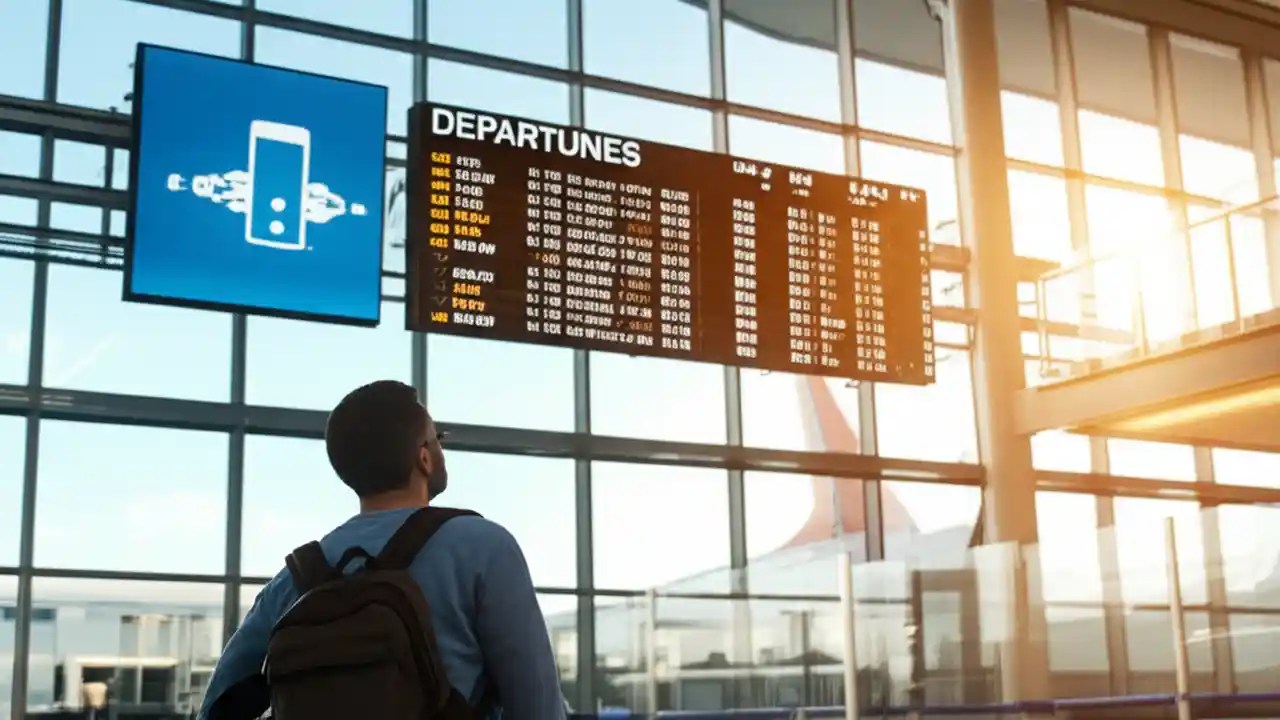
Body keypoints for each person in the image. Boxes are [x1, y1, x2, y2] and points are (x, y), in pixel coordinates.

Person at [198, 380, 566, 720]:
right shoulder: (484, 548)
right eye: (437, 438)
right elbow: (538, 706)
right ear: (424, 458)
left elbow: (217, 706)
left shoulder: (293, 580)